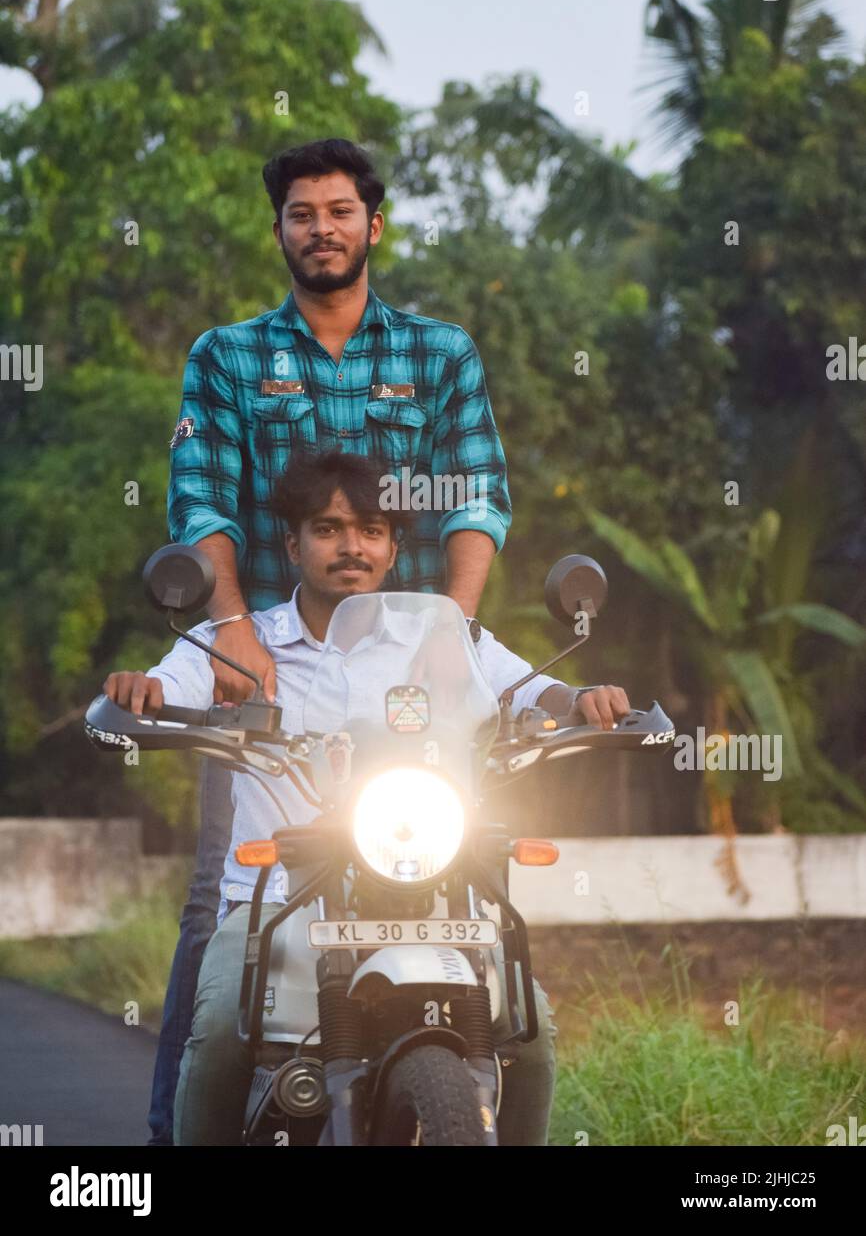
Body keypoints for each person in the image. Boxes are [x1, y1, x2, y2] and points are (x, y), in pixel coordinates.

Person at [148, 138, 513, 1143]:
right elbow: (201, 497)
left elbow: (475, 493)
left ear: (372, 225)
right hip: (266, 678)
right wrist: (232, 637)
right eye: (301, 213)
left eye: (339, 210)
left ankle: (488, 1071)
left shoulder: (438, 353)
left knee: (472, 884)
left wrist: (454, 636)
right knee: (225, 915)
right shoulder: (228, 355)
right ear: (280, 232)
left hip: (408, 671)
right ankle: (175, 1132)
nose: (322, 227)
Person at [106, 451, 632, 1146]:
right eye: (328, 529)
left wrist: (583, 699)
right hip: (276, 904)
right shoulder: (239, 647)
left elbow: (532, 687)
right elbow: (172, 687)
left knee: (528, 1035)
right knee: (219, 1030)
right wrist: (143, 694)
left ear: (392, 550)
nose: (351, 546)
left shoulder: (445, 644)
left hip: (435, 903)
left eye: (372, 530)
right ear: (293, 544)